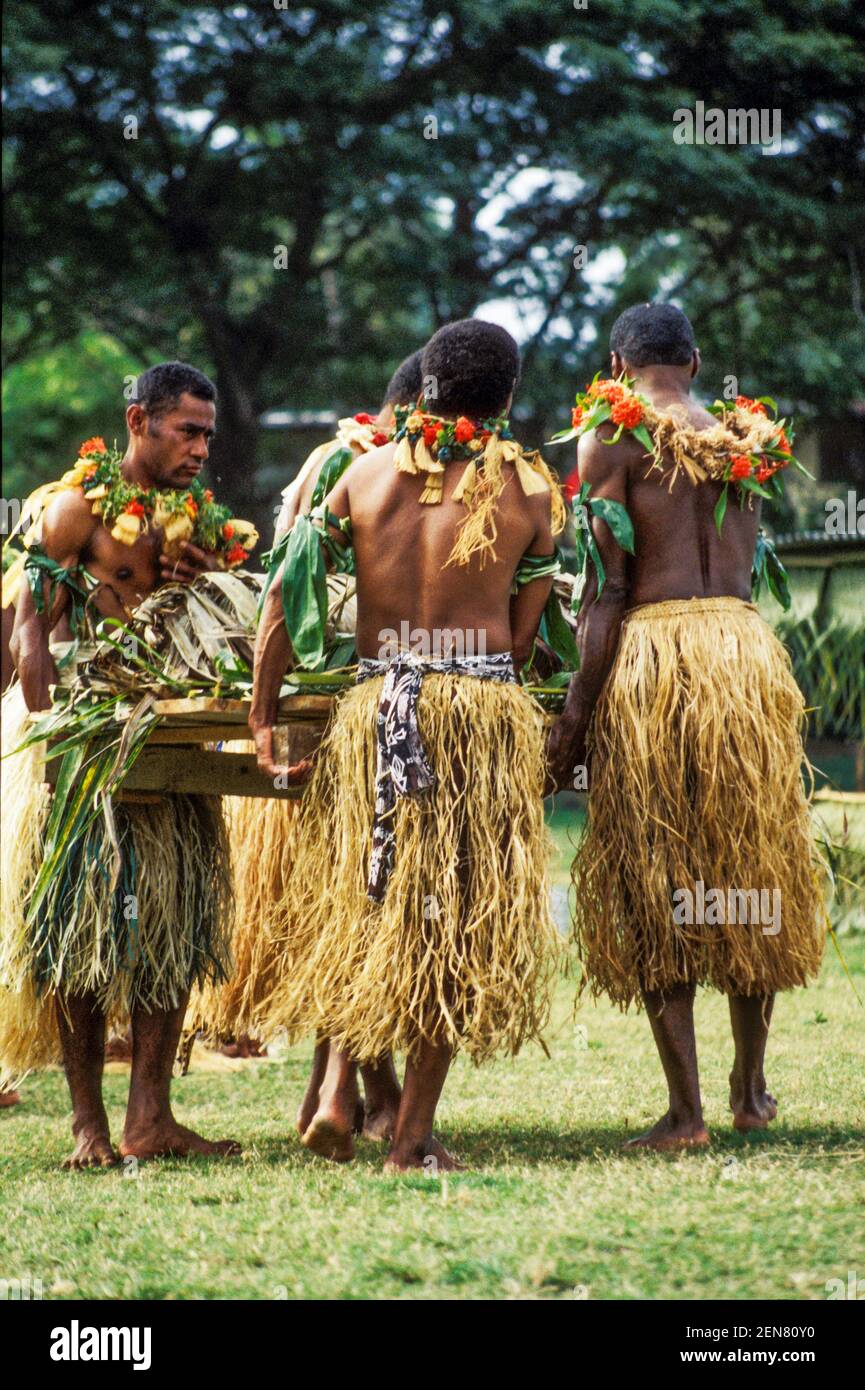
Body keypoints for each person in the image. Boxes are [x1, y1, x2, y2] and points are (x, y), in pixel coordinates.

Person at [251, 319, 565, 1170]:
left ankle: (331, 1095)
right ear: (504, 398)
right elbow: (525, 640)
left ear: (423, 389)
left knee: (371, 904)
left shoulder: (360, 473)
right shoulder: (530, 489)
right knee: (453, 921)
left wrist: (260, 714)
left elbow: (284, 598)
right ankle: (411, 1140)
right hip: (473, 717)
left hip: (369, 712)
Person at [547, 303, 825, 1150]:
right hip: (744, 658)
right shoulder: (747, 438)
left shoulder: (610, 438)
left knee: (655, 865)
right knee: (750, 863)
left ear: (616, 363)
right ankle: (750, 1092)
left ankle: (686, 1114)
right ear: (695, 363)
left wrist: (572, 718)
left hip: (659, 657)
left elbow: (606, 593)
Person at [0, 361, 247, 1166]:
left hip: (176, 736)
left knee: (171, 922)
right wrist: (54, 742)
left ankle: (151, 1119)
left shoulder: (199, 519)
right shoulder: (75, 509)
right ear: (139, 423)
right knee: (84, 931)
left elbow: (229, 623)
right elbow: (28, 635)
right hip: (86, 740)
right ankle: (88, 1127)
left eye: (208, 433)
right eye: (188, 430)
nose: (201, 447)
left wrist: (208, 579)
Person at [195, 353, 425, 1154]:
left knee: (354, 895)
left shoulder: (367, 463)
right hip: (335, 703)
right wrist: (266, 707)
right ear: (408, 408)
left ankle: (332, 1094)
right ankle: (355, 1092)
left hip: (343, 699)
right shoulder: (356, 461)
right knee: (355, 896)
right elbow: (296, 594)